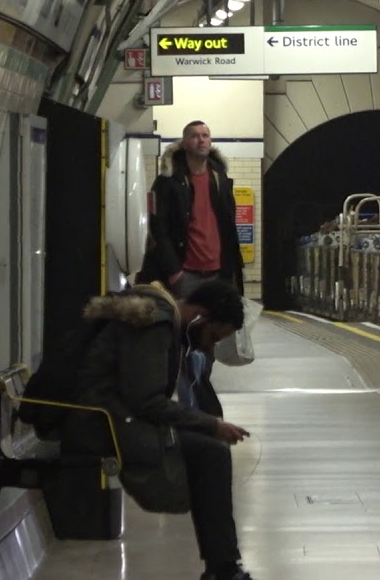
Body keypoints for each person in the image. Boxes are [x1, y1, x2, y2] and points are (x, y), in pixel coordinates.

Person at [61, 279, 254, 580]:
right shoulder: (155, 325)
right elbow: (146, 402)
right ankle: (223, 567)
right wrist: (211, 424)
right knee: (210, 454)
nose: (209, 346)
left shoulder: (160, 318)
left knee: (210, 451)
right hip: (101, 424)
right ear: (201, 317)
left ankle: (222, 565)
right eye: (213, 337)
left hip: (113, 416)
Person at [138, 120, 244, 299]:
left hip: (220, 273)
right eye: (194, 136)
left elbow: (229, 227)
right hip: (185, 275)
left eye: (205, 136)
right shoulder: (167, 181)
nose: (201, 140)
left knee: (219, 325)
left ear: (210, 142)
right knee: (185, 326)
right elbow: (158, 229)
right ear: (185, 143)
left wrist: (233, 269)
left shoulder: (220, 180)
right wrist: (174, 272)